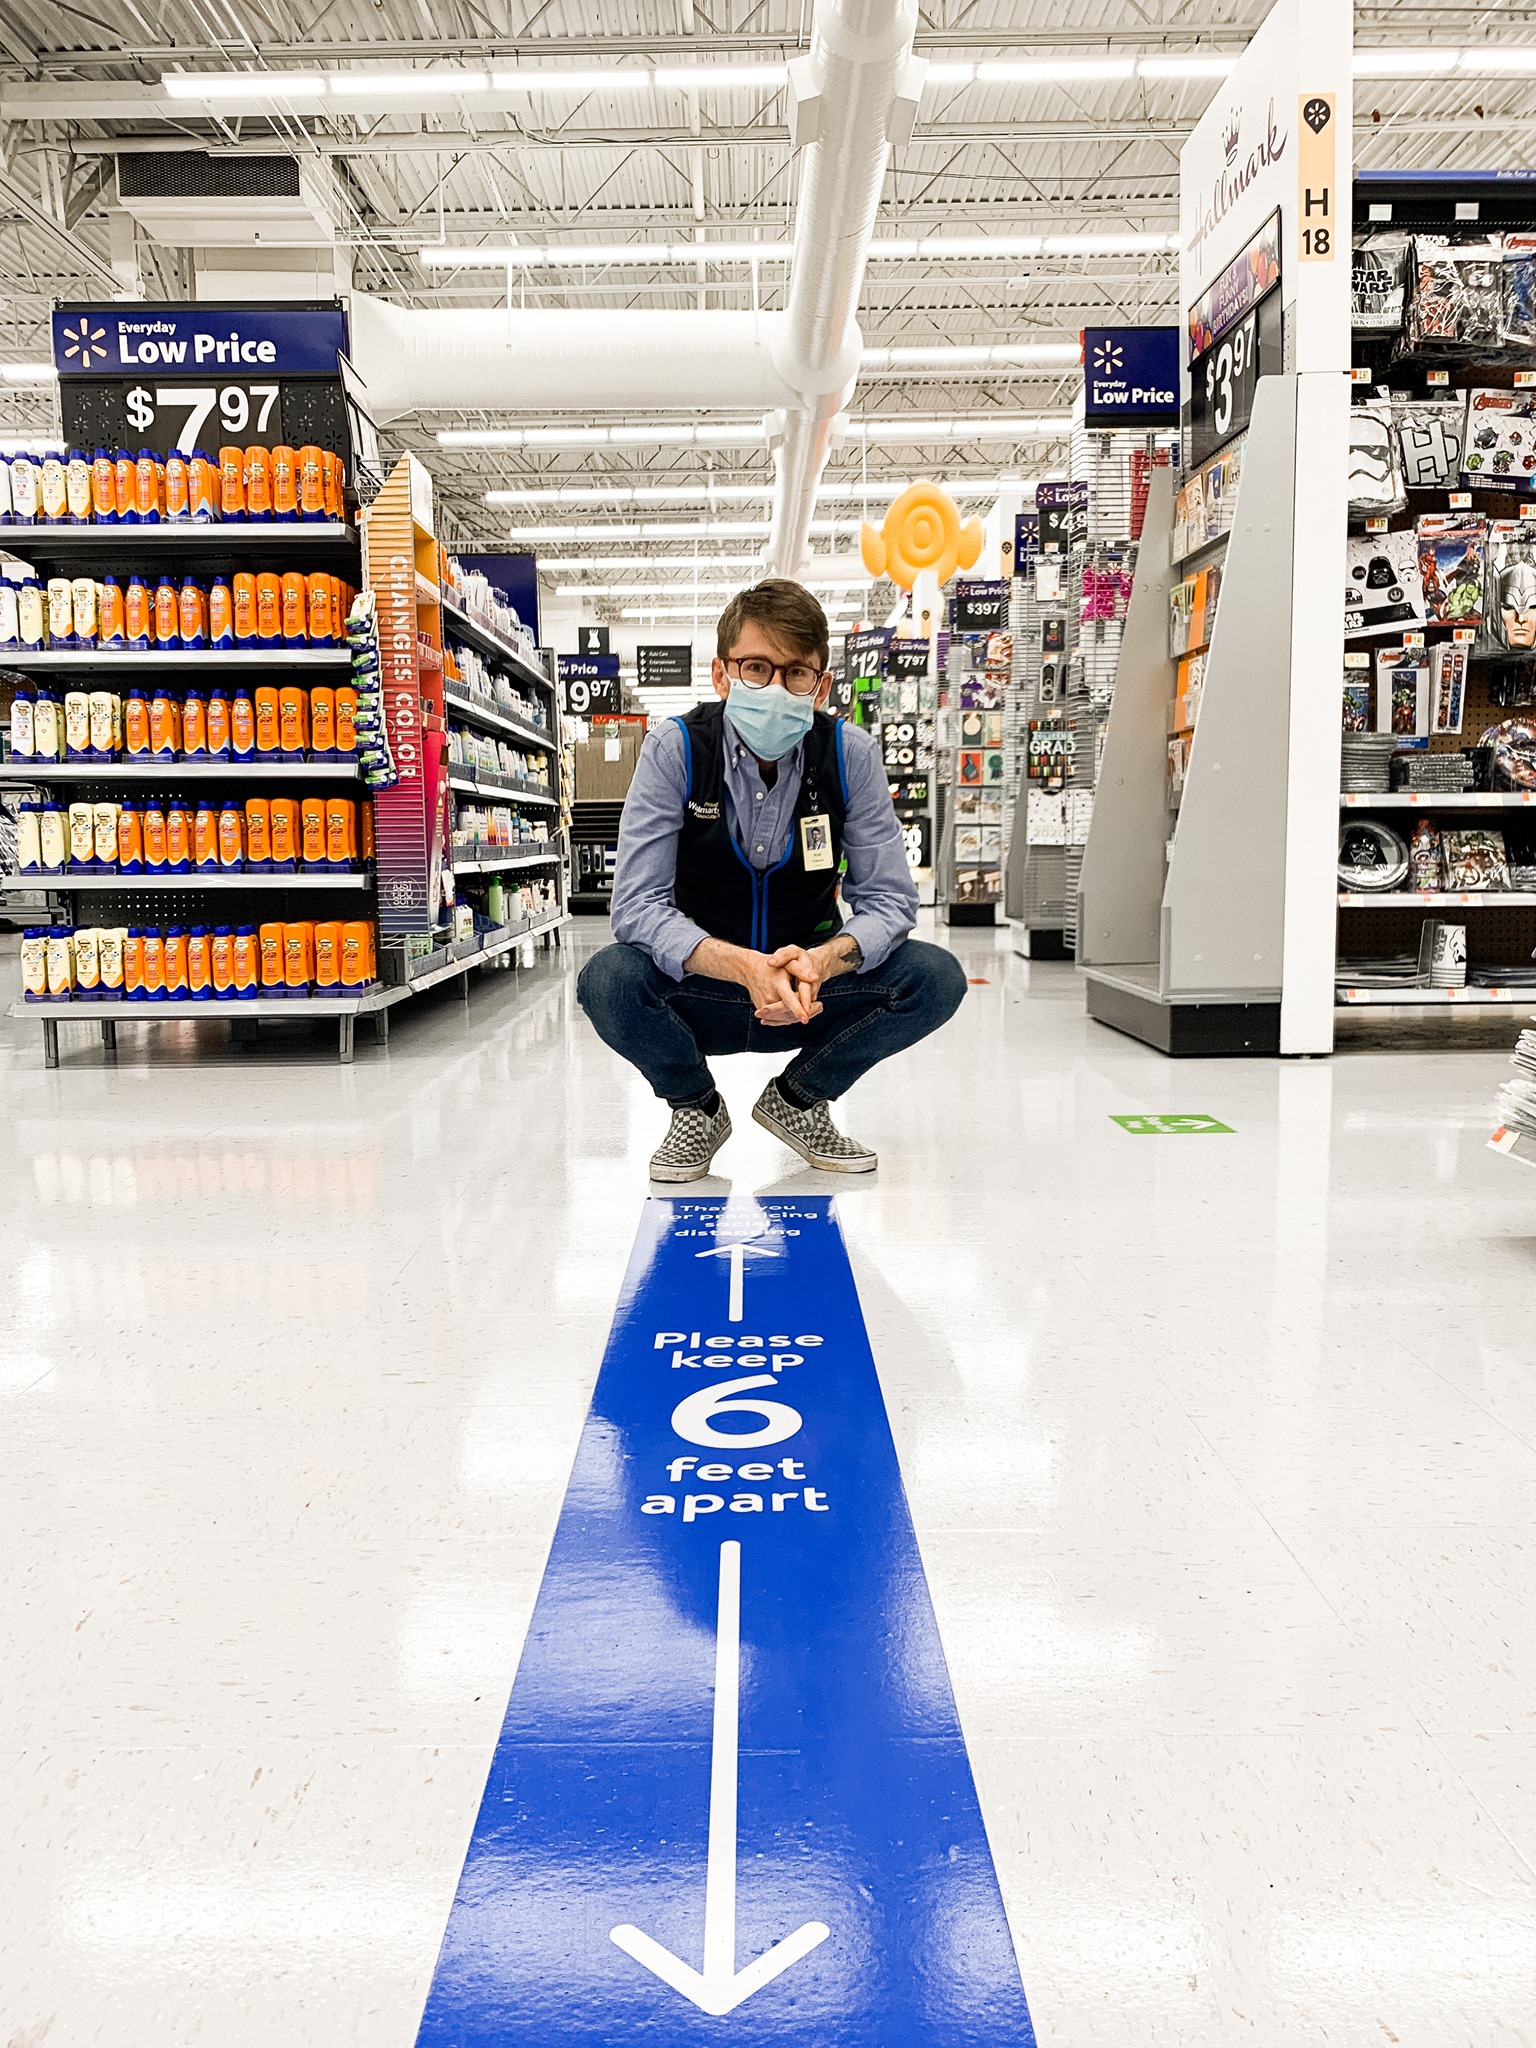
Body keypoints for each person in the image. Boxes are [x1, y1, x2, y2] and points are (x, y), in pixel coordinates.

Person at [577, 578, 968, 1181]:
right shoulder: (675, 749)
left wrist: (823, 962)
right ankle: (696, 1109)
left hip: (810, 993)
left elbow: (888, 898)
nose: (776, 688)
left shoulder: (849, 755)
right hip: (703, 988)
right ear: (720, 673)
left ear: (822, 685)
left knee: (934, 977)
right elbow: (636, 904)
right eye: (756, 668)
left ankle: (799, 1100)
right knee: (608, 981)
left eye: (796, 674)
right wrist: (744, 967)